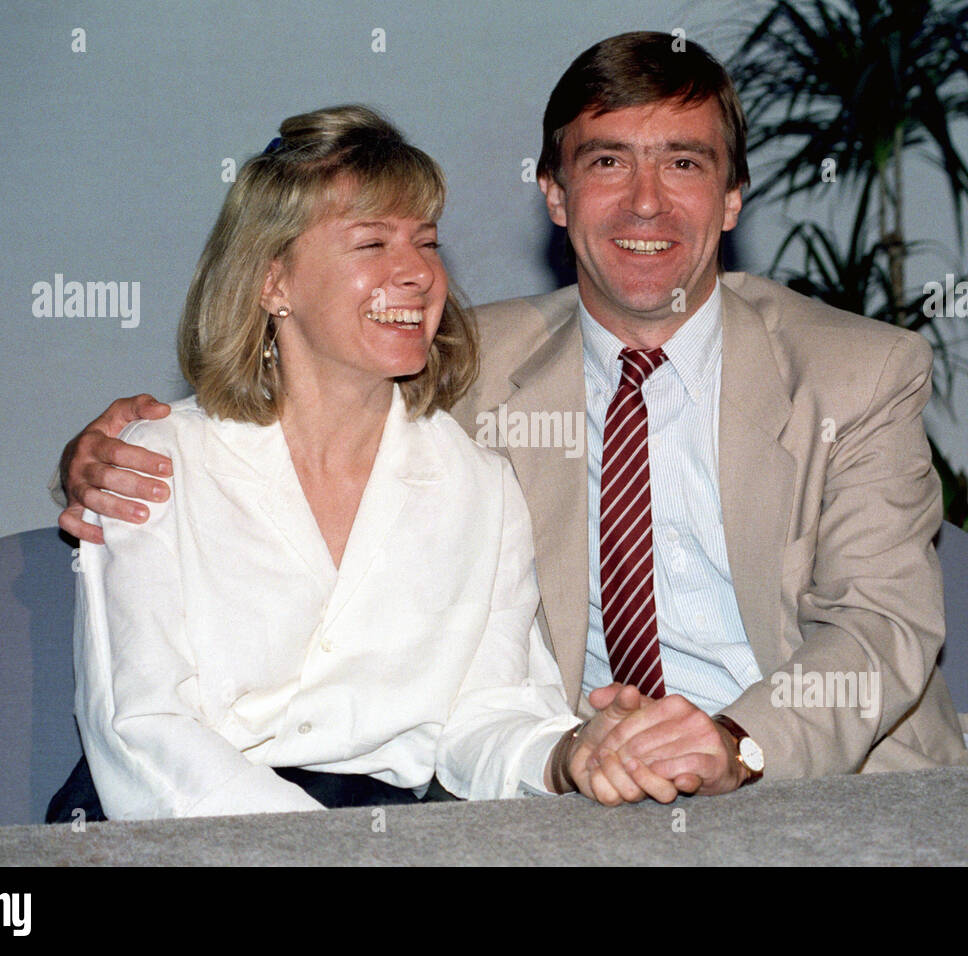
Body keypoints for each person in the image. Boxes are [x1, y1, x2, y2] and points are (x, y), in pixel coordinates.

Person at [57, 34, 968, 805]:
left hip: (815, 785)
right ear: (553, 193)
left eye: (684, 163)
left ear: (732, 197)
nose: (645, 203)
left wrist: (735, 744)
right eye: (606, 162)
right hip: (585, 801)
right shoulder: (459, 366)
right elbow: (299, 395)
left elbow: (880, 627)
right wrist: (98, 454)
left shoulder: (857, 372)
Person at [54, 104, 678, 821]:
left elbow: (487, 716)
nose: (415, 273)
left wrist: (571, 756)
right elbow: (141, 730)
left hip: (390, 829)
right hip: (182, 829)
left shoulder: (479, 484)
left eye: (427, 241)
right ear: (273, 282)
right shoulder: (154, 465)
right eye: (372, 243)